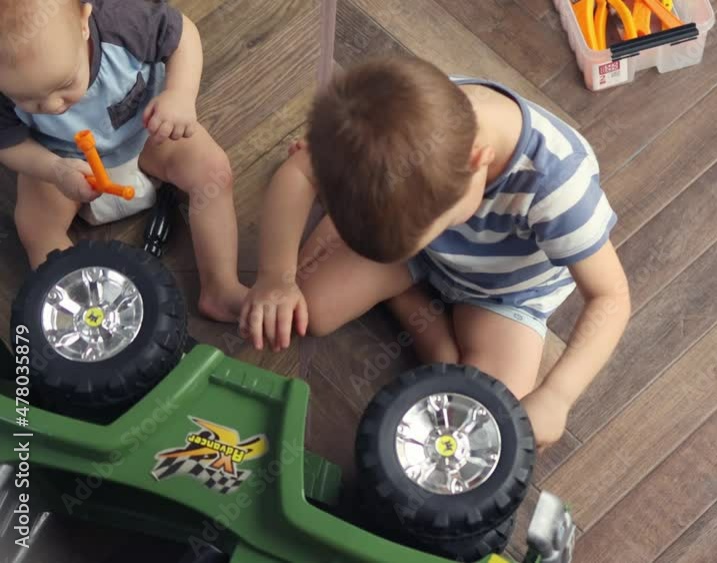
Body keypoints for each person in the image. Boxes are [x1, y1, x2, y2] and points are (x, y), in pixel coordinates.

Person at [242, 56, 631, 447]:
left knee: (484, 425)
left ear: (479, 161)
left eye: (439, 225)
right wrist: (276, 277)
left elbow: (610, 297)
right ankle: (417, 309)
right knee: (310, 311)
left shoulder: (559, 186)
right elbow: (298, 171)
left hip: (504, 291)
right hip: (420, 253)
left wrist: (557, 396)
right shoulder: (387, 119)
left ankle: (416, 309)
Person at [0, 0, 247, 322]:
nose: (53, 105)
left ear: (84, 24)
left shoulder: (122, 21)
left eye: (64, 84)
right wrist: (55, 169)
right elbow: (9, 143)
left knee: (212, 172)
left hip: (147, 132)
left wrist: (180, 95)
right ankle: (84, 311)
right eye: (27, 99)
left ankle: (221, 287)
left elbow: (182, 34)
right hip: (62, 157)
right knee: (35, 227)